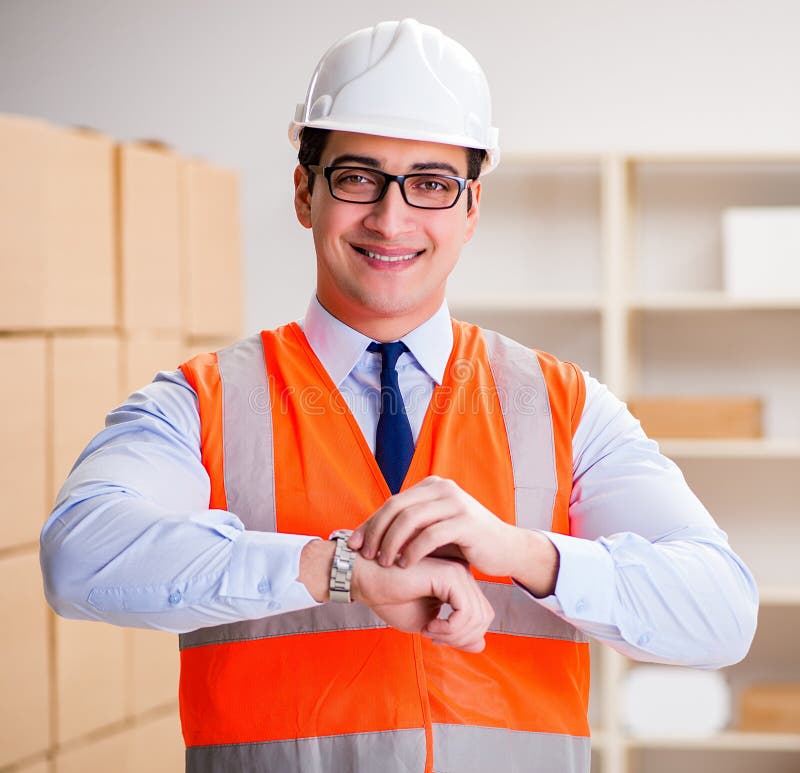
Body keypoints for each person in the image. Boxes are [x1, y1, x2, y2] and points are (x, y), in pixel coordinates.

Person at [41, 18, 758, 773]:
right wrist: (336, 568)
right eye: (357, 176)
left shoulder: (563, 405)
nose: (391, 217)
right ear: (303, 192)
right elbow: (79, 555)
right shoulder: (202, 400)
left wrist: (522, 551)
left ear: (471, 208)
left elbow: (720, 612)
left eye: (431, 183)